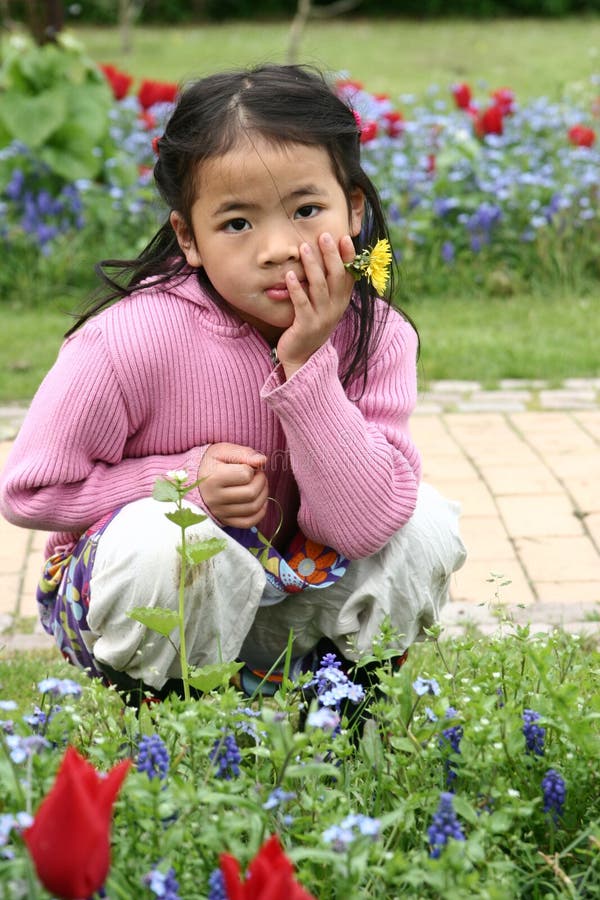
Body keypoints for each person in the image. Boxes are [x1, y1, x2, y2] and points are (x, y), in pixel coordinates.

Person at [0, 64, 465, 703]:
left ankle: (341, 707)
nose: (277, 248)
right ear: (188, 236)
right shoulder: (130, 339)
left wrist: (307, 366)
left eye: (306, 210)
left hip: (292, 601)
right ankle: (168, 714)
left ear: (352, 209)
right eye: (238, 224)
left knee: (424, 521)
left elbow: (362, 528)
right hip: (149, 614)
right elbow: (30, 490)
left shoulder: (376, 334)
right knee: (165, 536)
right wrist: (183, 482)